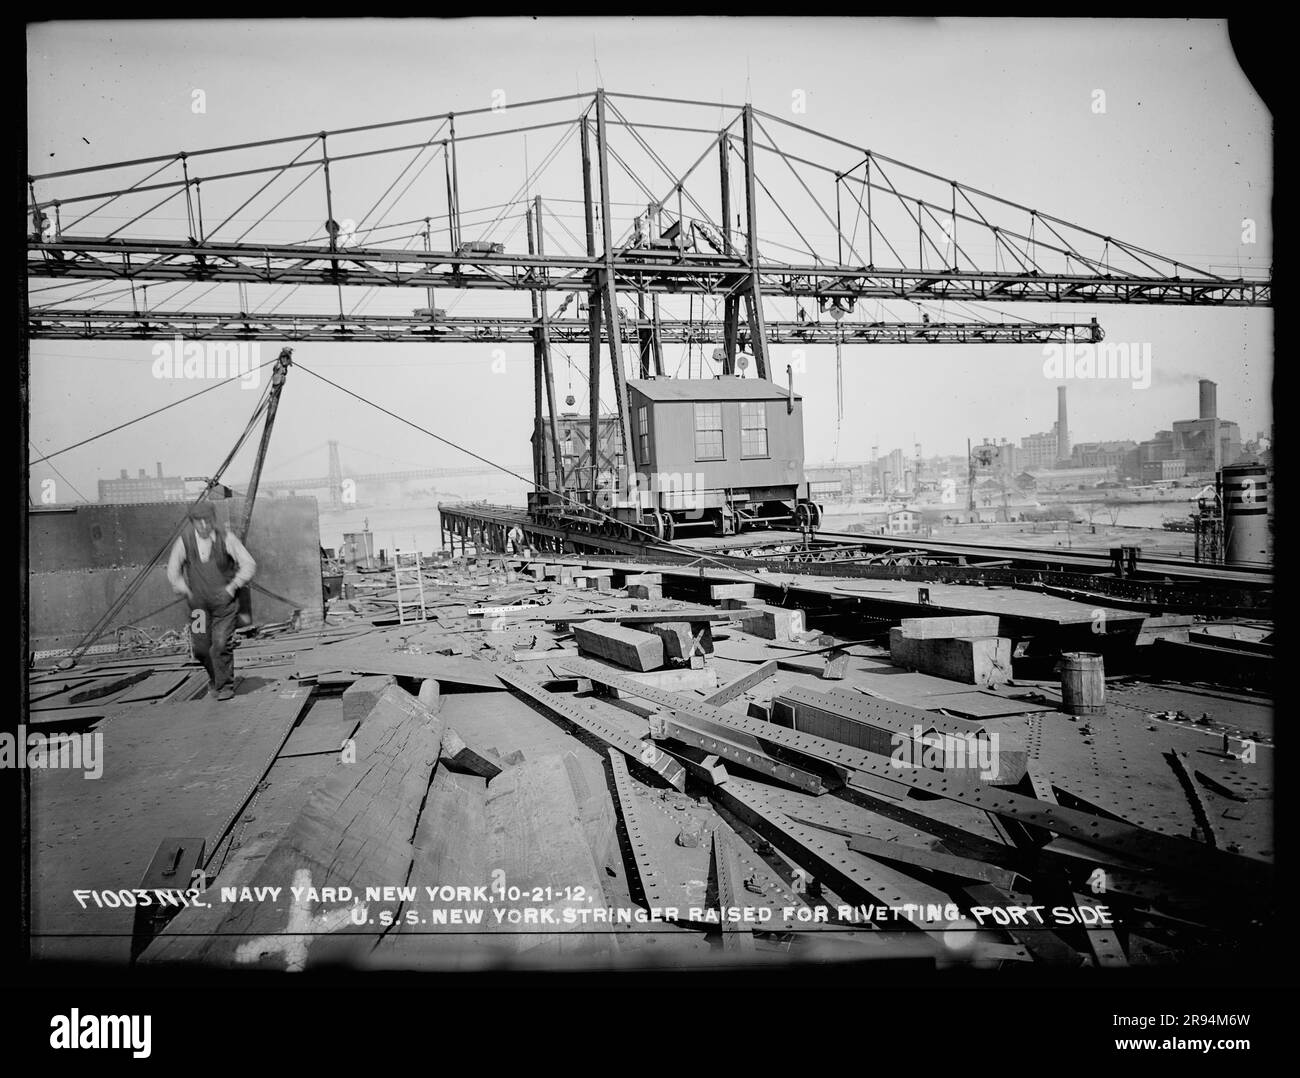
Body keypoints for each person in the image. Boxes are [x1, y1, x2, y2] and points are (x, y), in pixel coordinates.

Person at [166, 502, 256, 700]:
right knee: (200, 649)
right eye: (200, 522)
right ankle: (215, 677)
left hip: (223, 604)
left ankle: (225, 686)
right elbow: (173, 571)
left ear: (213, 521)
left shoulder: (227, 539)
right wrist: (184, 589)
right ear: (193, 523)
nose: (204, 526)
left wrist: (233, 586)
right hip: (198, 607)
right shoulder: (185, 541)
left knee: (221, 643)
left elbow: (249, 564)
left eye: (208, 521)